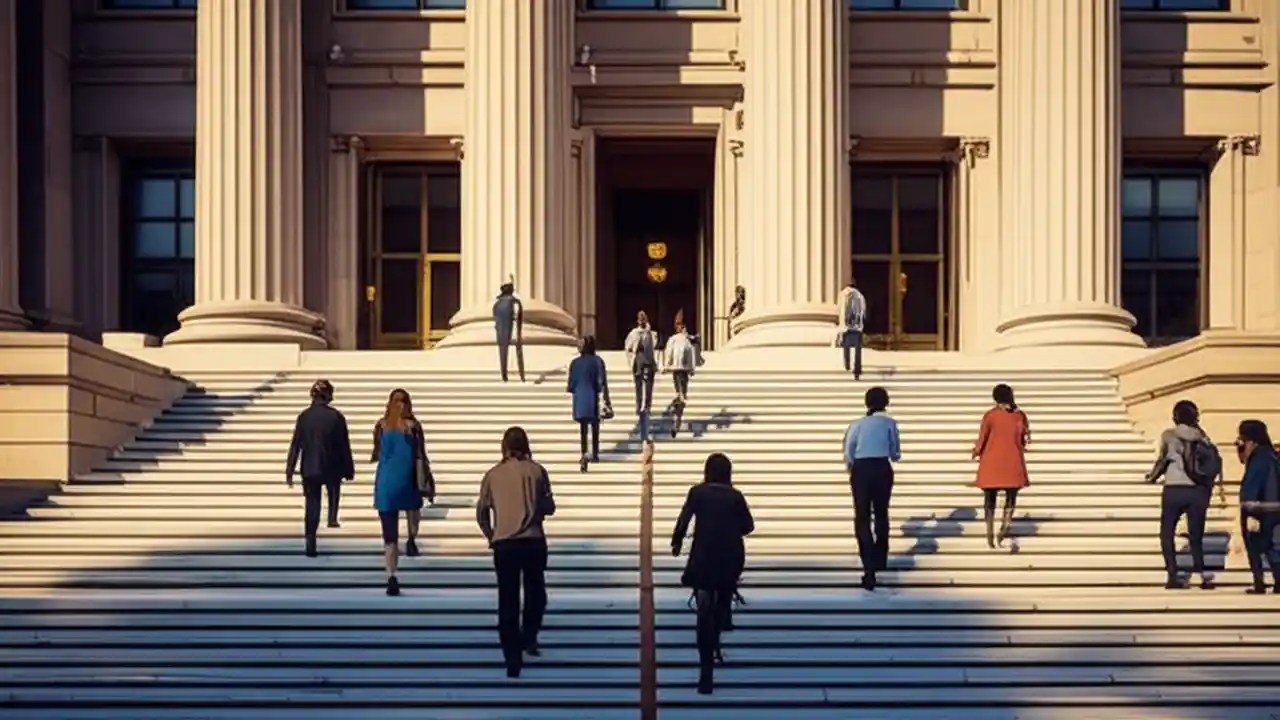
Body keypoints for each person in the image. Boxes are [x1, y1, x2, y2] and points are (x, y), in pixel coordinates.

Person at [476, 426, 557, 677]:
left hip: (505, 543)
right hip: (533, 540)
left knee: (507, 599)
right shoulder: (537, 471)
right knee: (536, 594)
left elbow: (481, 512)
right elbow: (549, 507)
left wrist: (491, 534)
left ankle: (512, 658)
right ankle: (529, 637)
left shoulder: (492, 474)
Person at [671, 453, 754, 696]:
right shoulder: (735, 496)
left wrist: (676, 543)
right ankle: (725, 613)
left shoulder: (697, 493)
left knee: (704, 606)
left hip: (703, 557)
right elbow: (748, 526)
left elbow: (684, 519)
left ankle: (705, 673)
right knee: (725, 589)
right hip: (730, 556)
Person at [1144, 400, 1217, 590]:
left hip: (1174, 489)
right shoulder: (1203, 437)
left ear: (1175, 416)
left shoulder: (1169, 436)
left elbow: (1163, 460)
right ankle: (1199, 574)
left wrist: (1151, 477)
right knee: (1196, 535)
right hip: (1197, 491)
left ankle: (1172, 575)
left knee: (1166, 533)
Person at [371, 389, 434, 596]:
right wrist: (428, 479)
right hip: (408, 479)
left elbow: (377, 451)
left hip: (386, 482)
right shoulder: (414, 426)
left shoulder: (381, 426)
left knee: (389, 536)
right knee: (413, 510)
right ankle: (412, 539)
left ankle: (392, 575)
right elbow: (421, 454)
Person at [285, 379, 355, 558]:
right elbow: (343, 445)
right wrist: (349, 468)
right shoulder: (336, 417)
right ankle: (332, 517)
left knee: (312, 503)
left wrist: (290, 468)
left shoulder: (304, 416)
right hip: (331, 465)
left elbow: (296, 444)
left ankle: (310, 536)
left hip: (309, 466)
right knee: (333, 490)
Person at [842, 386, 900, 591]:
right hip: (882, 468)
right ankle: (880, 557)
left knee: (862, 516)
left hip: (862, 469)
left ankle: (868, 565)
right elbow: (895, 453)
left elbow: (848, 449)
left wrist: (851, 466)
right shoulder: (890, 423)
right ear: (886, 402)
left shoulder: (857, 424)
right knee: (882, 513)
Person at [972, 384, 1031, 549]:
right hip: (1013, 462)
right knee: (1011, 498)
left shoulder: (990, 416)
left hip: (992, 463)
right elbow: (1024, 439)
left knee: (989, 500)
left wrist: (976, 451)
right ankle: (1004, 529)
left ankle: (989, 532)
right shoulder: (1020, 416)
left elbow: (982, 438)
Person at [1235, 419, 1280, 594]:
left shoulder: (1259, 458)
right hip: (1274, 506)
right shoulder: (1271, 454)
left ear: (1250, 440)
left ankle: (1259, 583)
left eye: (1241, 440)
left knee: (1254, 546)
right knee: (1273, 547)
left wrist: (1250, 509)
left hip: (1258, 508)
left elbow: (1252, 485)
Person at [567, 336, 605, 473]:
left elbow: (570, 384)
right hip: (592, 396)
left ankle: (584, 452)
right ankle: (595, 453)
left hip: (579, 398)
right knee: (595, 427)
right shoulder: (598, 361)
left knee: (583, 428)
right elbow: (601, 382)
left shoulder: (575, 363)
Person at [624, 310, 659, 440]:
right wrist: (633, 352)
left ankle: (648, 405)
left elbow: (654, 346)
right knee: (638, 385)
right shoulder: (634, 333)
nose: (642, 322)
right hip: (638, 361)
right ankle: (639, 405)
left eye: (644, 319)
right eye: (640, 319)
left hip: (649, 362)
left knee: (649, 385)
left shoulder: (651, 333)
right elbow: (627, 347)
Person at [664, 309, 698, 438]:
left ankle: (676, 419)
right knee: (682, 395)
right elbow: (687, 354)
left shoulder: (680, 339)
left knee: (681, 396)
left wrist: (667, 366)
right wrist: (691, 368)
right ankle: (676, 420)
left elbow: (671, 353)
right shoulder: (680, 340)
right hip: (680, 370)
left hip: (679, 370)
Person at [493, 280, 524, 383]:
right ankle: (521, 375)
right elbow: (517, 316)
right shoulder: (515, 302)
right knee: (517, 354)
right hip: (512, 331)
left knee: (503, 354)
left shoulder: (497, 304)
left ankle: (504, 375)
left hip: (500, 333)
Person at [837, 277, 866, 380]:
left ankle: (847, 364)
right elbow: (863, 311)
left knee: (846, 346)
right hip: (857, 327)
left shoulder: (843, 294)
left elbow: (840, 310)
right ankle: (857, 370)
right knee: (858, 350)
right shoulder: (860, 296)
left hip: (846, 326)